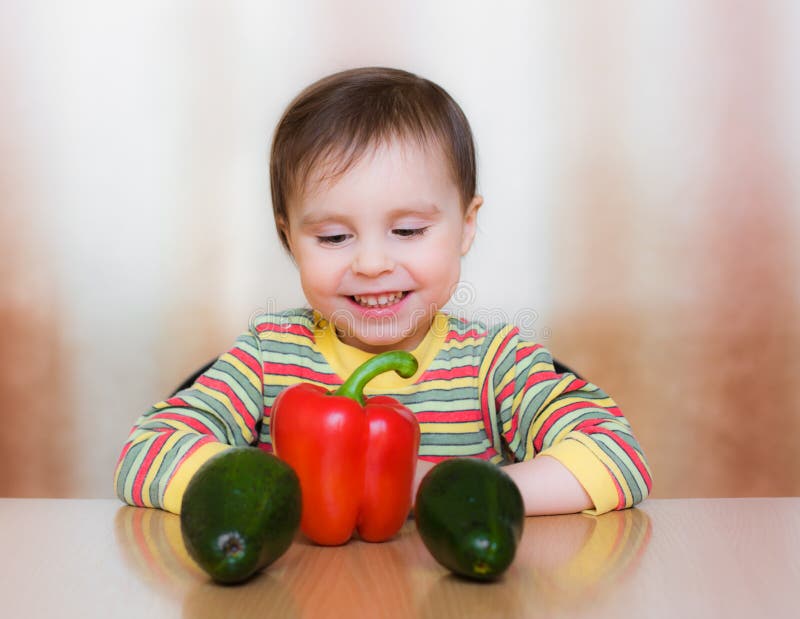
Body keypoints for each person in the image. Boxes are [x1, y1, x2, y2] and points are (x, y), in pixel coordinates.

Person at [114, 67, 652, 517]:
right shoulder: (265, 358)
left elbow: (618, 457)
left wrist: (424, 489)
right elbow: (145, 454)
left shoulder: (496, 366)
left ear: (466, 226)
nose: (371, 264)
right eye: (333, 237)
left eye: (409, 231)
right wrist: (294, 491)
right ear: (288, 239)